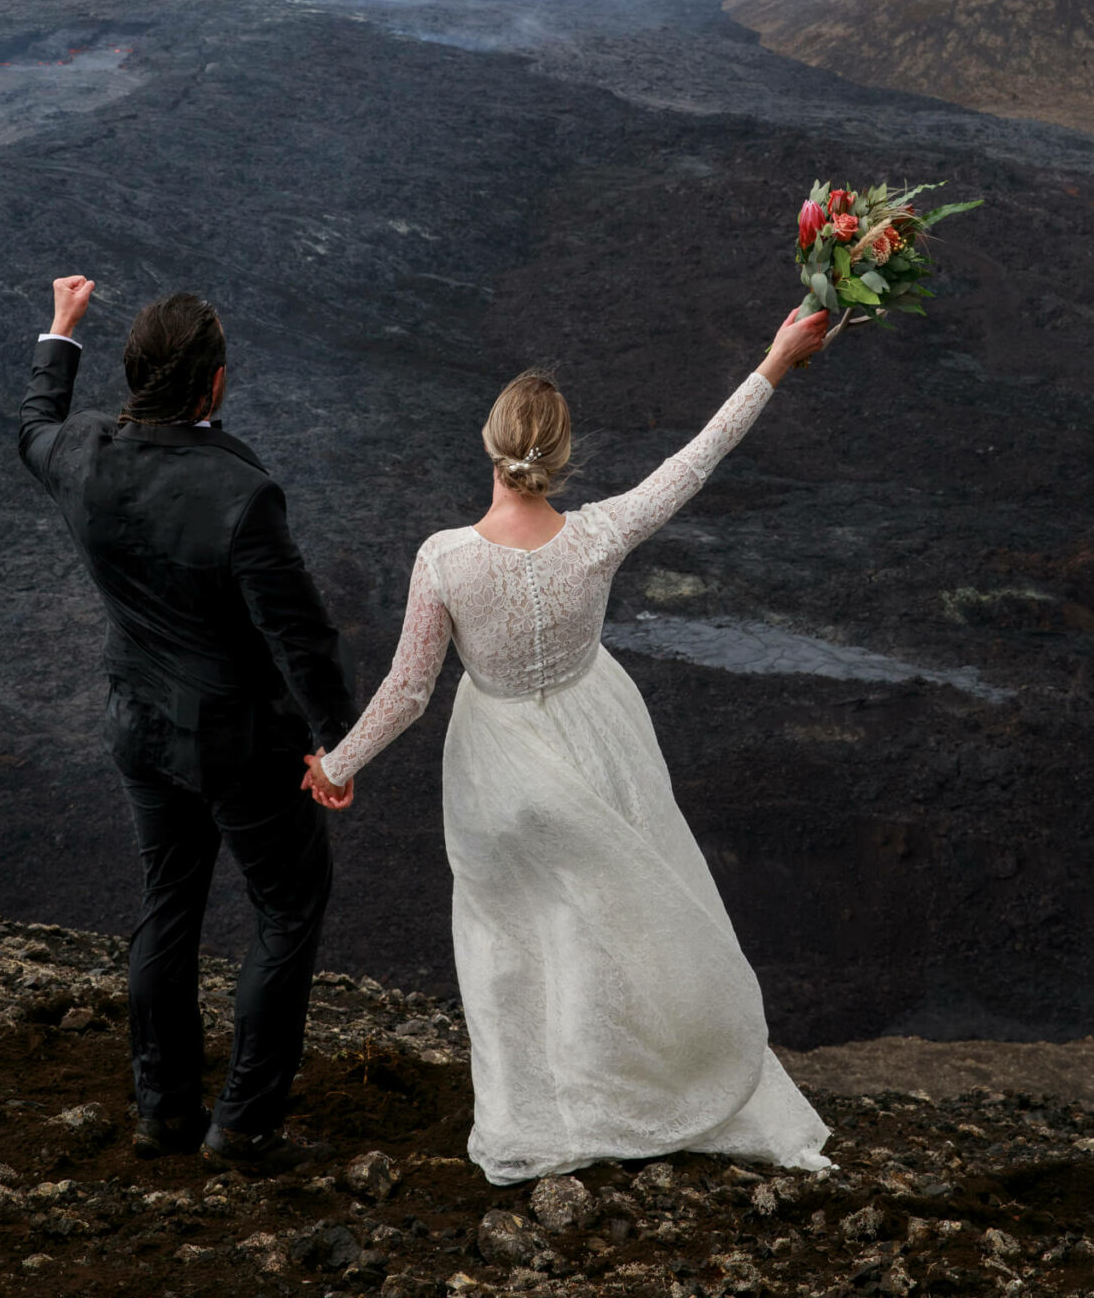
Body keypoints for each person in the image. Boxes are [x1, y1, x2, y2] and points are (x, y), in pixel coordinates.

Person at [303, 305, 833, 1185]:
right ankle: (634, 1088)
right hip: (597, 738)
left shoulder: (443, 559)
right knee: (614, 917)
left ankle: (536, 1110)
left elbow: (406, 690)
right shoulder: (599, 533)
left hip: (496, 765)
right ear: (561, 456)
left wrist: (335, 766)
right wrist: (774, 359)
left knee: (509, 937)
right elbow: (700, 456)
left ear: (490, 445)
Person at [19, 276, 356, 1174]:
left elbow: (30, 424)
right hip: (242, 745)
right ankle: (244, 1126)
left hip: (138, 724)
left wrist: (60, 333)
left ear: (134, 375)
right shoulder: (241, 496)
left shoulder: (79, 456)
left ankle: (162, 1111)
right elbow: (303, 637)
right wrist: (336, 742)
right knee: (285, 910)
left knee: (168, 907)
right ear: (212, 385)